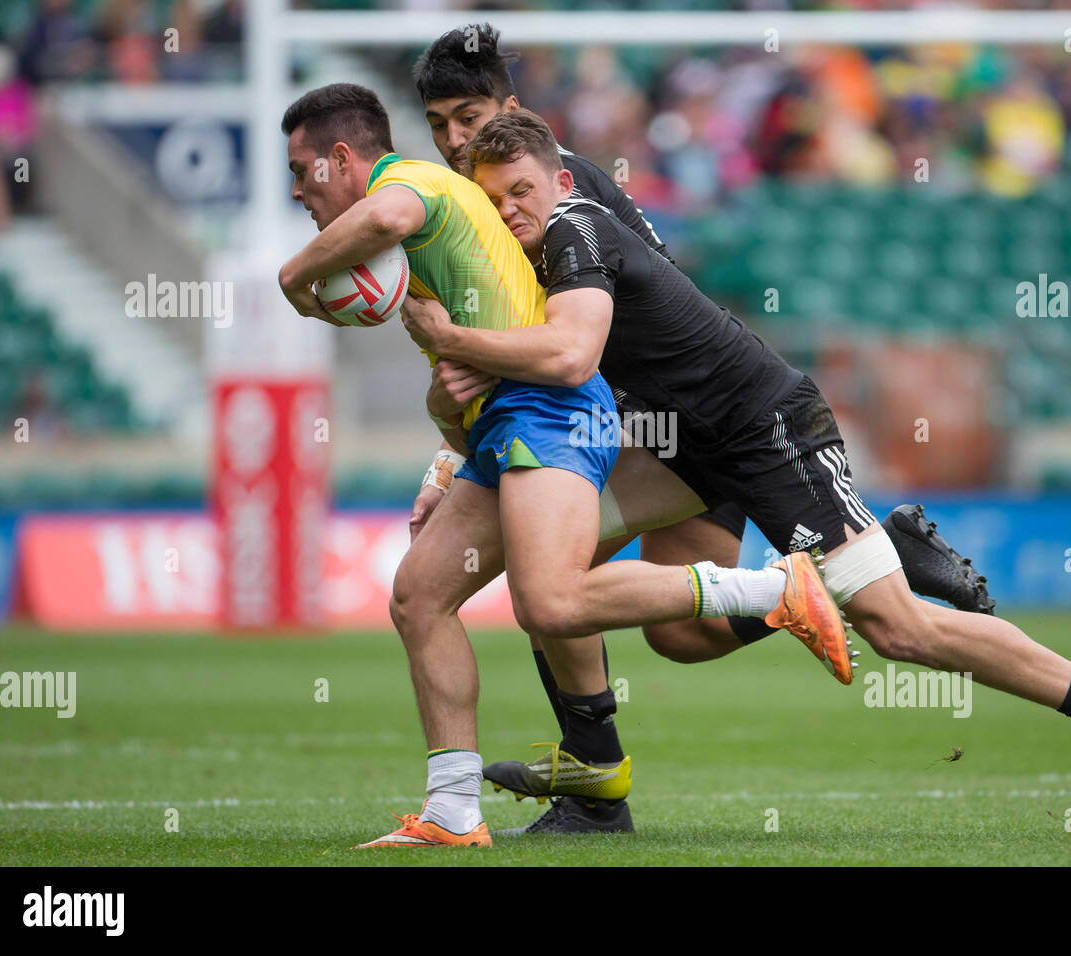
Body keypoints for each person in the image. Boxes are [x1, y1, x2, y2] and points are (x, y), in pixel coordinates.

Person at [402, 108, 1071, 833]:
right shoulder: (526, 256)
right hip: (682, 446)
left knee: (900, 631)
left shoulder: (576, 225)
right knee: (646, 623)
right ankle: (613, 762)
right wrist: (454, 431)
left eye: (521, 192)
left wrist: (455, 343)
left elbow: (570, 355)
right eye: (494, 199)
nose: (510, 210)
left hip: (768, 431)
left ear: (561, 180)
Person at [409, 23, 994, 836]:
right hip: (662, 423)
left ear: (512, 108)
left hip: (670, 423)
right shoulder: (504, 193)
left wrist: (455, 443)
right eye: (437, 124)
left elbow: (560, 342)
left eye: (468, 115)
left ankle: (594, 787)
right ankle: (844, 577)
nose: (452, 137)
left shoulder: (539, 193)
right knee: (682, 636)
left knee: (553, 583)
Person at [277, 83, 848, 849]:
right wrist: (447, 434)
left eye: (302, 169)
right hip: (504, 425)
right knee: (418, 596)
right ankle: (453, 813)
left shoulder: (402, 185)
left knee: (551, 602)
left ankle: (775, 589)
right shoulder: (414, 237)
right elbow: (451, 386)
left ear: (342, 159)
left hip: (550, 414)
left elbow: (380, 219)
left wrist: (293, 279)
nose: (295, 190)